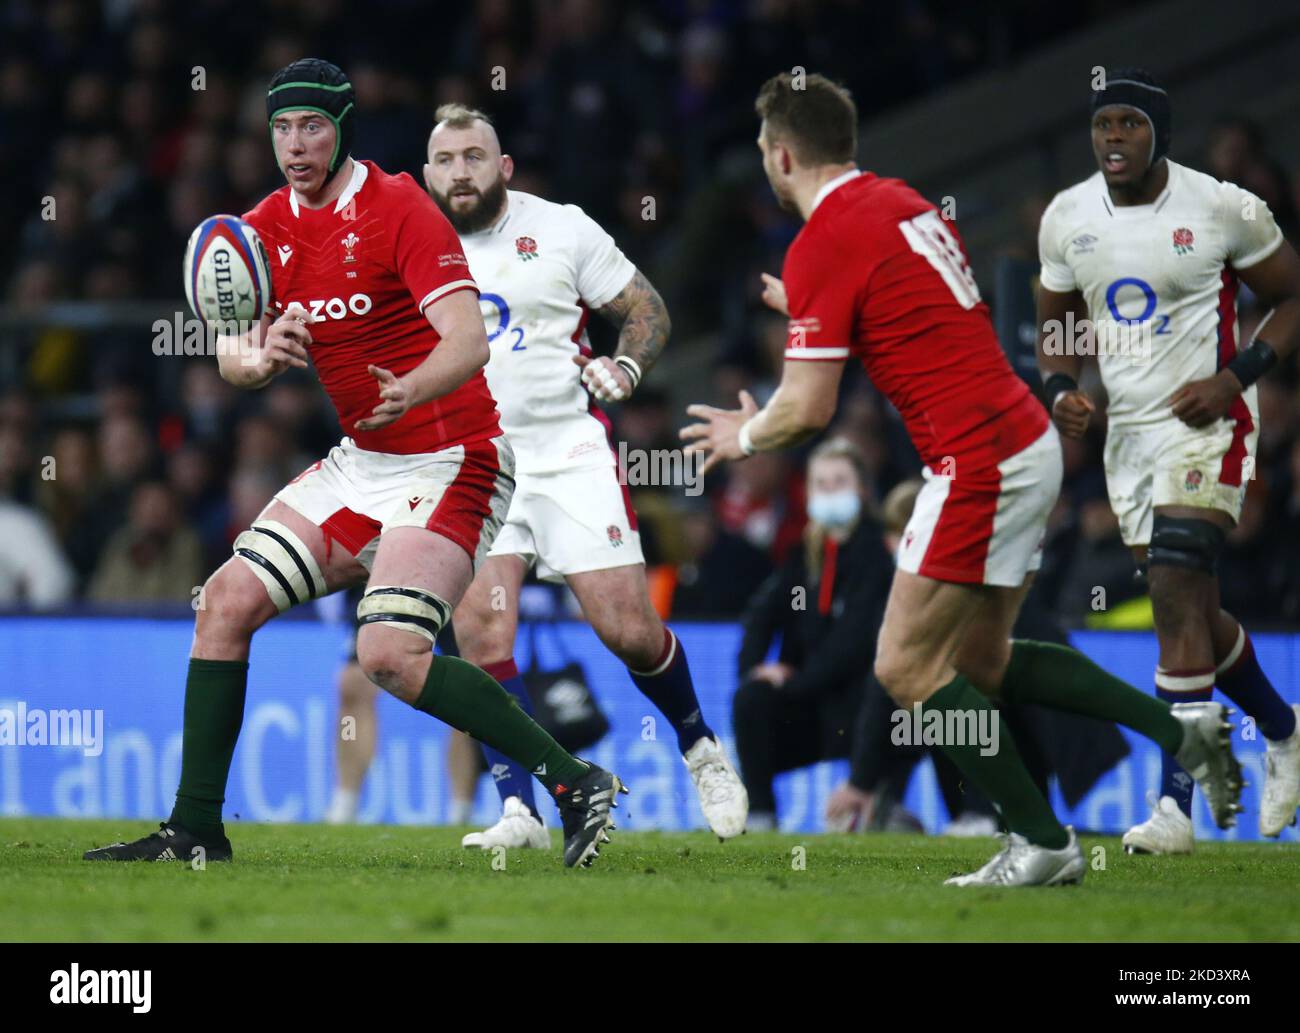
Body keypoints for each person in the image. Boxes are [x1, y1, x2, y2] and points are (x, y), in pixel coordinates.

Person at [682, 72, 1243, 887]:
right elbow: (905, 309)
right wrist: (803, 299)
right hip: (1020, 437)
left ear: (780, 155)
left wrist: (746, 432)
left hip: (977, 457)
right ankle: (1178, 731)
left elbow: (805, 410)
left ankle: (1042, 839)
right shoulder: (896, 201)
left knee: (904, 669)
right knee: (980, 658)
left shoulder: (825, 238)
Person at [84, 59, 624, 870]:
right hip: (363, 463)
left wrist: (406, 387)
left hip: (455, 458)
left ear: (342, 130)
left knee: (388, 655)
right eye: (281, 129)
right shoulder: (262, 226)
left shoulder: (400, 207)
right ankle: (194, 829)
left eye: (312, 127)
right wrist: (257, 359)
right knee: (224, 602)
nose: (295, 145)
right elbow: (229, 345)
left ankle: (576, 781)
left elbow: (468, 341)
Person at [421, 104, 747, 849]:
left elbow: (645, 308)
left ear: (503, 169)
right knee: (478, 628)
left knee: (628, 630)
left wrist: (625, 365)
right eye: (446, 160)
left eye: (475, 156)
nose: (461, 171)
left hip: (569, 452)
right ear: (428, 174)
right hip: (477, 459)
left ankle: (700, 745)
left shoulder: (562, 226)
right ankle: (519, 811)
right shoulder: (412, 245)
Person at [1037, 69, 1300, 851]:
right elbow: (1058, 325)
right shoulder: (1067, 217)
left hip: (1209, 422)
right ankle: (1284, 731)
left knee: (1178, 582)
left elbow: (1292, 297)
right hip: (1129, 438)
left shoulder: (1219, 205)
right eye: (1102, 124)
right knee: (1190, 606)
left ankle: (1175, 809)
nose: (1112, 137)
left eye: (1129, 124)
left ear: (1159, 133)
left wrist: (1234, 378)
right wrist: (1061, 389)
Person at [732, 437, 894, 830]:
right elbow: (761, 615)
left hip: (867, 706)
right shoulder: (803, 557)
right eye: (821, 483)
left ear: (861, 489)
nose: (829, 491)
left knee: (885, 689)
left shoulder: (877, 555)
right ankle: (761, 815)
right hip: (813, 705)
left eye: (839, 481)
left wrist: (798, 682)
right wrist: (755, 669)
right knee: (752, 699)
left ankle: (889, 802)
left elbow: (856, 641)